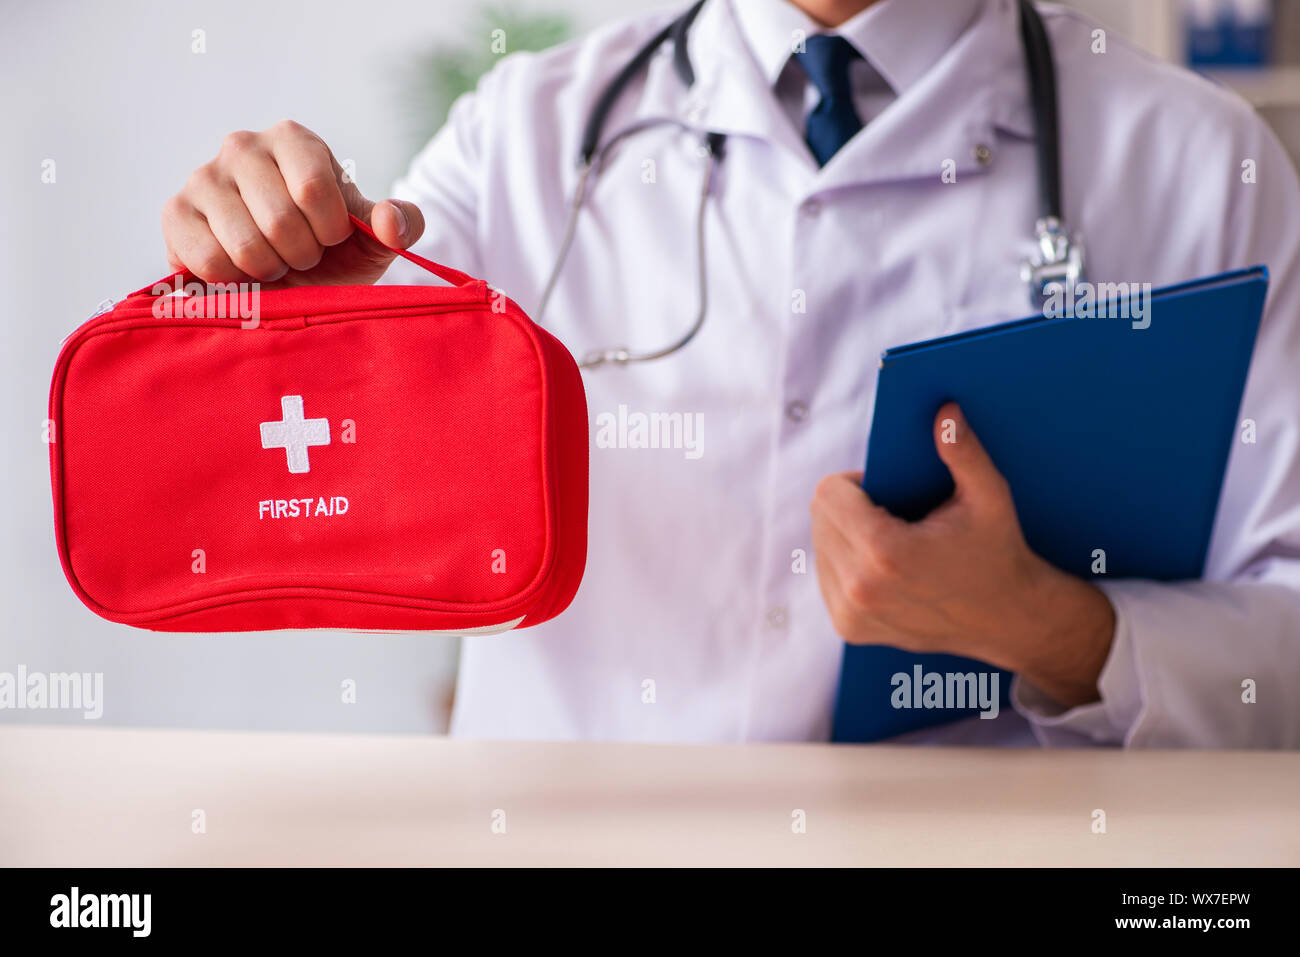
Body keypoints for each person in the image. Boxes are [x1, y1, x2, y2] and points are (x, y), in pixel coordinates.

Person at [159, 0, 1300, 747]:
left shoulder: (1194, 159)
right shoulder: (524, 131)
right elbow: (311, 470)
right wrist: (262, 273)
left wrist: (1058, 632)